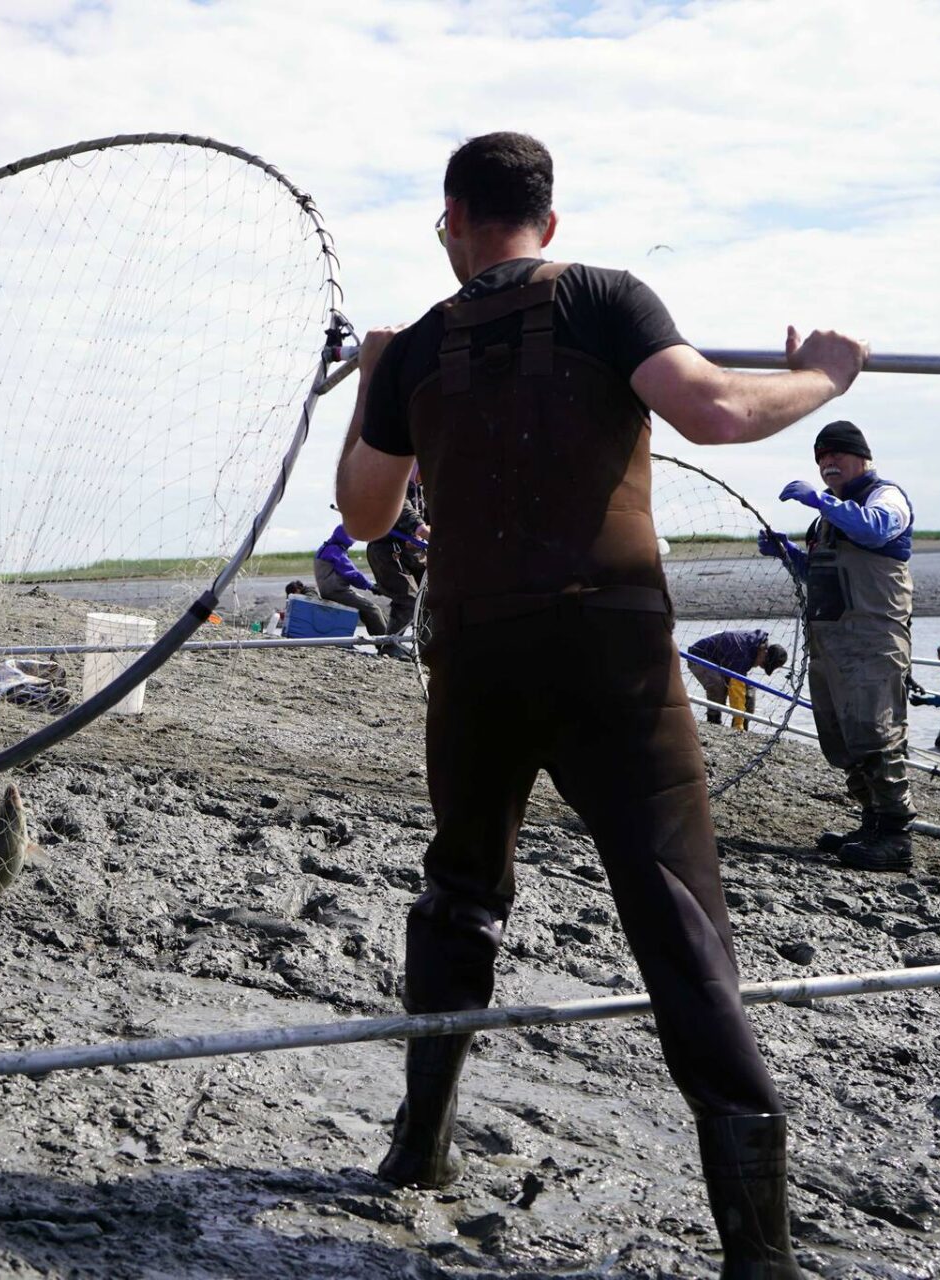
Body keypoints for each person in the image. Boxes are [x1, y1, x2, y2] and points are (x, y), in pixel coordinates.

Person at [336, 130, 867, 1277]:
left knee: (461, 888)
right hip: (608, 645)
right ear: (550, 221)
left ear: (451, 217)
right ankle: (759, 1254)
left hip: (474, 654)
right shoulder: (602, 296)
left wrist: (377, 377)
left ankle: (418, 1147)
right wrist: (826, 374)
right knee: (676, 913)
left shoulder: (423, 345)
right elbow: (716, 410)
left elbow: (366, 511)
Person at [758, 421, 916, 874]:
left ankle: (895, 836)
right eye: (821, 458)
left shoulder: (885, 497)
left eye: (837, 455)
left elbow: (876, 531)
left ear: (862, 458)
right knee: (844, 739)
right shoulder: (828, 516)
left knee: (875, 732)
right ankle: (870, 824)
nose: (828, 464)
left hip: (872, 639)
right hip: (830, 642)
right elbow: (822, 574)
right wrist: (787, 552)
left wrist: (817, 498)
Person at [683, 629, 787, 729]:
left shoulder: (755, 647)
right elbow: (737, 690)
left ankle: (743, 726)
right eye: (763, 664)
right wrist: (738, 722)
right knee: (718, 686)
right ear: (764, 651)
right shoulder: (742, 652)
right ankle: (713, 721)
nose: (758, 665)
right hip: (698, 656)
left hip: (721, 660)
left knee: (749, 691)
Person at [312, 524, 392, 640]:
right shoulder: (335, 550)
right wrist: (370, 586)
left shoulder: (326, 548)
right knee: (372, 610)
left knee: (371, 608)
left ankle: (388, 637)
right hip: (337, 592)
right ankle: (386, 644)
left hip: (332, 591)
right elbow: (351, 573)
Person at [365, 493, 429, 637]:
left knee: (429, 599)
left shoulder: (422, 492)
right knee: (408, 600)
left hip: (412, 553)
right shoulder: (398, 491)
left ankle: (425, 648)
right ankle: (391, 646)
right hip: (387, 551)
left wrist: (419, 536)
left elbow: (426, 526)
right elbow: (421, 528)